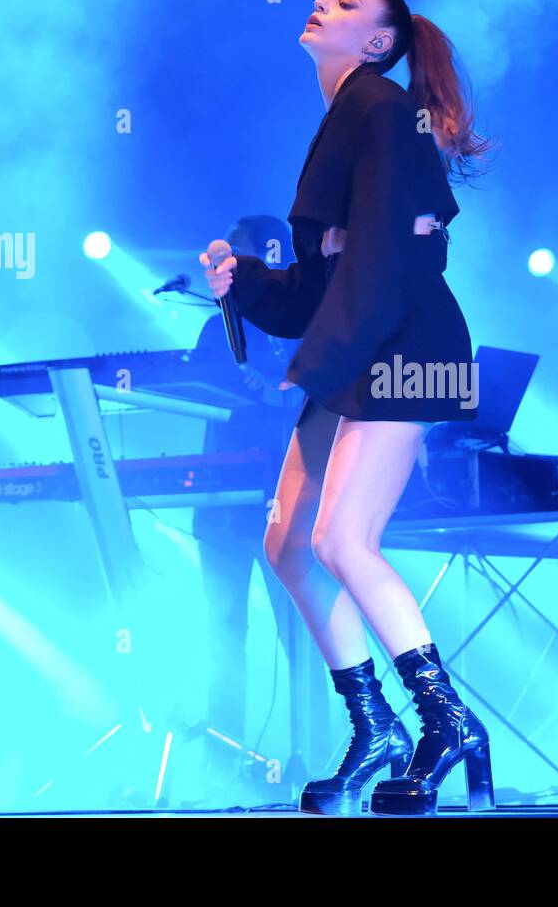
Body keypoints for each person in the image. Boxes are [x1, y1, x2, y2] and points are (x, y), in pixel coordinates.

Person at [199, 0, 494, 816]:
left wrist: (326, 340)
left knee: (342, 539)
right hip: (363, 343)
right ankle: (377, 729)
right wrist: (246, 281)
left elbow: (396, 254)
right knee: (290, 546)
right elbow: (324, 281)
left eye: (346, 1)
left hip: (406, 346)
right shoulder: (348, 115)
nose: (323, 1)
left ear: (377, 40)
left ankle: (448, 723)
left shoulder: (386, 110)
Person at [190, 215, 331, 798]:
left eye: (255, 261)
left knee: (300, 633)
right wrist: (247, 387)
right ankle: (224, 766)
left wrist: (289, 390)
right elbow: (199, 389)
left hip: (287, 501)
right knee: (224, 631)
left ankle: (322, 760)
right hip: (225, 507)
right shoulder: (213, 329)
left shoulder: (304, 326)